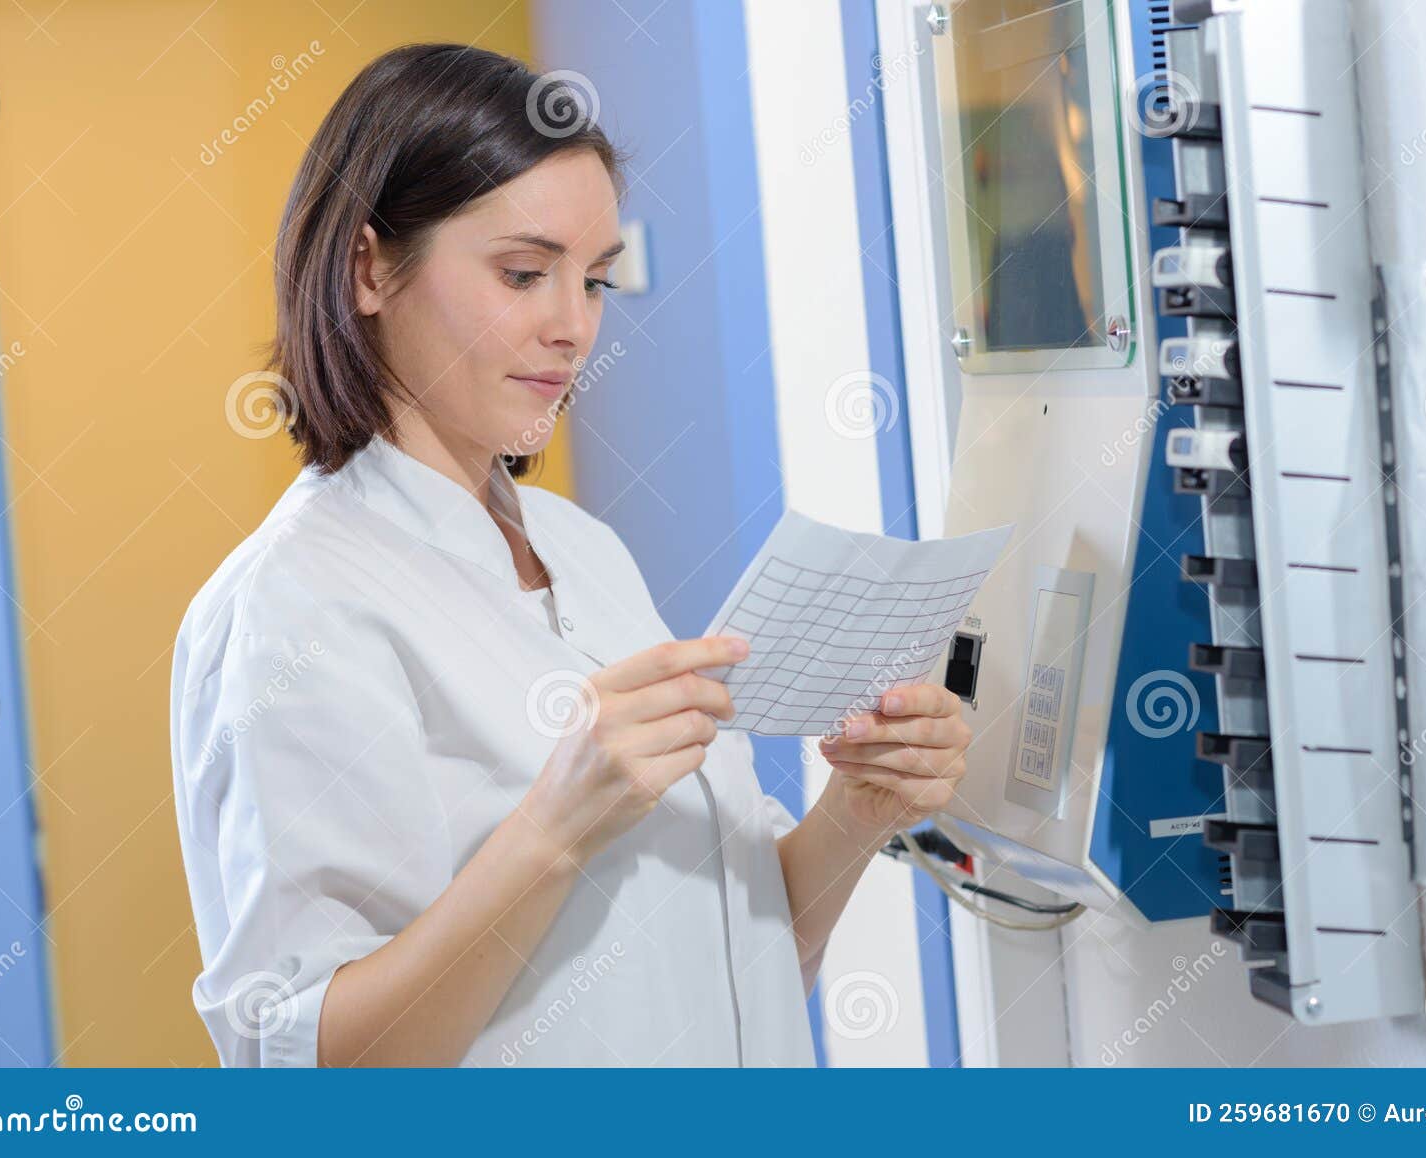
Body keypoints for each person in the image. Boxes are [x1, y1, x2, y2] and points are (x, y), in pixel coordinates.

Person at [169, 43, 972, 1068]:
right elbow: (315, 1071)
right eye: (522, 274)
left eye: (593, 281)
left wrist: (860, 808)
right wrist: (552, 830)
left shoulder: (582, 551)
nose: (573, 328)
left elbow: (748, 965)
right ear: (369, 267)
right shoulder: (293, 607)